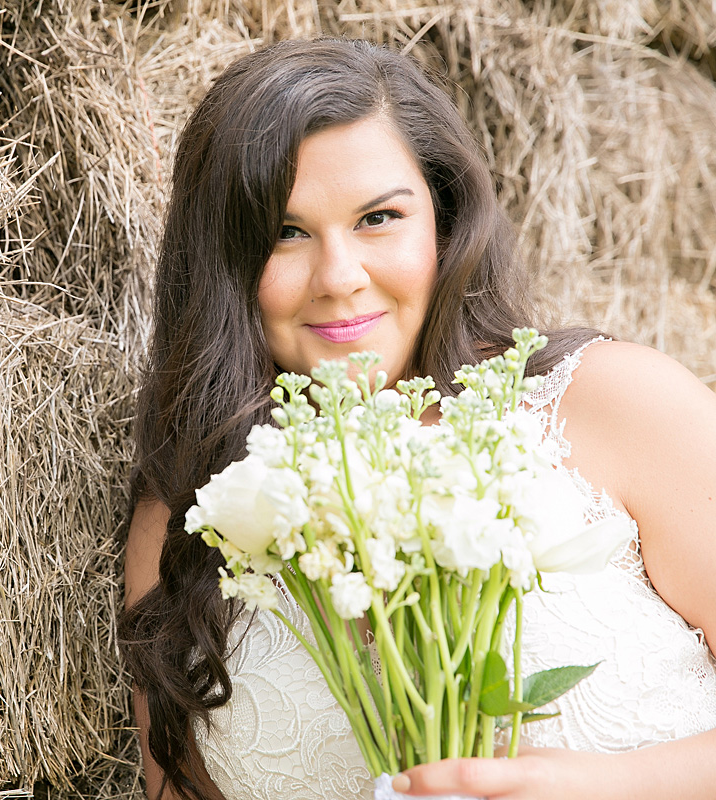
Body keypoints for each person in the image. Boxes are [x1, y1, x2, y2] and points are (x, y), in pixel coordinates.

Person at [118, 38, 716, 800]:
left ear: (443, 218)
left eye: (378, 218)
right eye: (284, 232)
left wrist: (608, 787)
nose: (339, 277)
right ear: (225, 265)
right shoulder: (195, 521)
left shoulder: (613, 405)